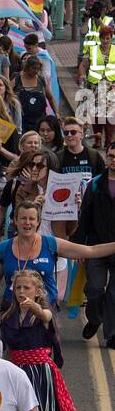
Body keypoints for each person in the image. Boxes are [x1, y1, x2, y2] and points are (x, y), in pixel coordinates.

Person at [0, 270, 76, 411]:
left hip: (39, 374)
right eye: (18, 287)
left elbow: (47, 317)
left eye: (27, 288)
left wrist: (36, 308)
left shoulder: (42, 312)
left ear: (37, 290)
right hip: (15, 371)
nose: (22, 291)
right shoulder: (8, 313)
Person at [0, 200, 115, 308]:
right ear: (15, 221)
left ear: (38, 222)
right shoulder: (4, 248)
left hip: (45, 312)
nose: (27, 222)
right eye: (23, 218)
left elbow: (91, 250)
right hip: (12, 312)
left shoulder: (50, 244)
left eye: (32, 219)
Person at [75, 143, 115, 344]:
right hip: (96, 246)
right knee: (94, 289)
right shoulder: (95, 184)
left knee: (114, 294)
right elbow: (85, 218)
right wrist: (79, 247)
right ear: (106, 157)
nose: (113, 160)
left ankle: (112, 334)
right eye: (111, 156)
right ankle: (95, 319)